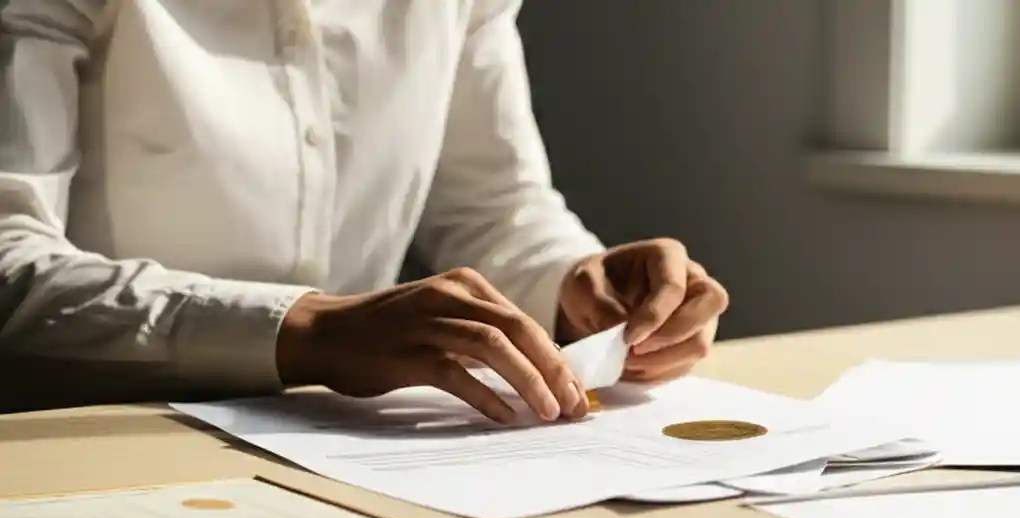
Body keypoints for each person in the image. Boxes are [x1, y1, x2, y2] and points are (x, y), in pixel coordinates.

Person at [0, 0, 728, 419]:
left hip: (342, 460)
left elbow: (494, 206)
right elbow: (8, 263)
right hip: (76, 448)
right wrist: (311, 330)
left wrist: (578, 290)